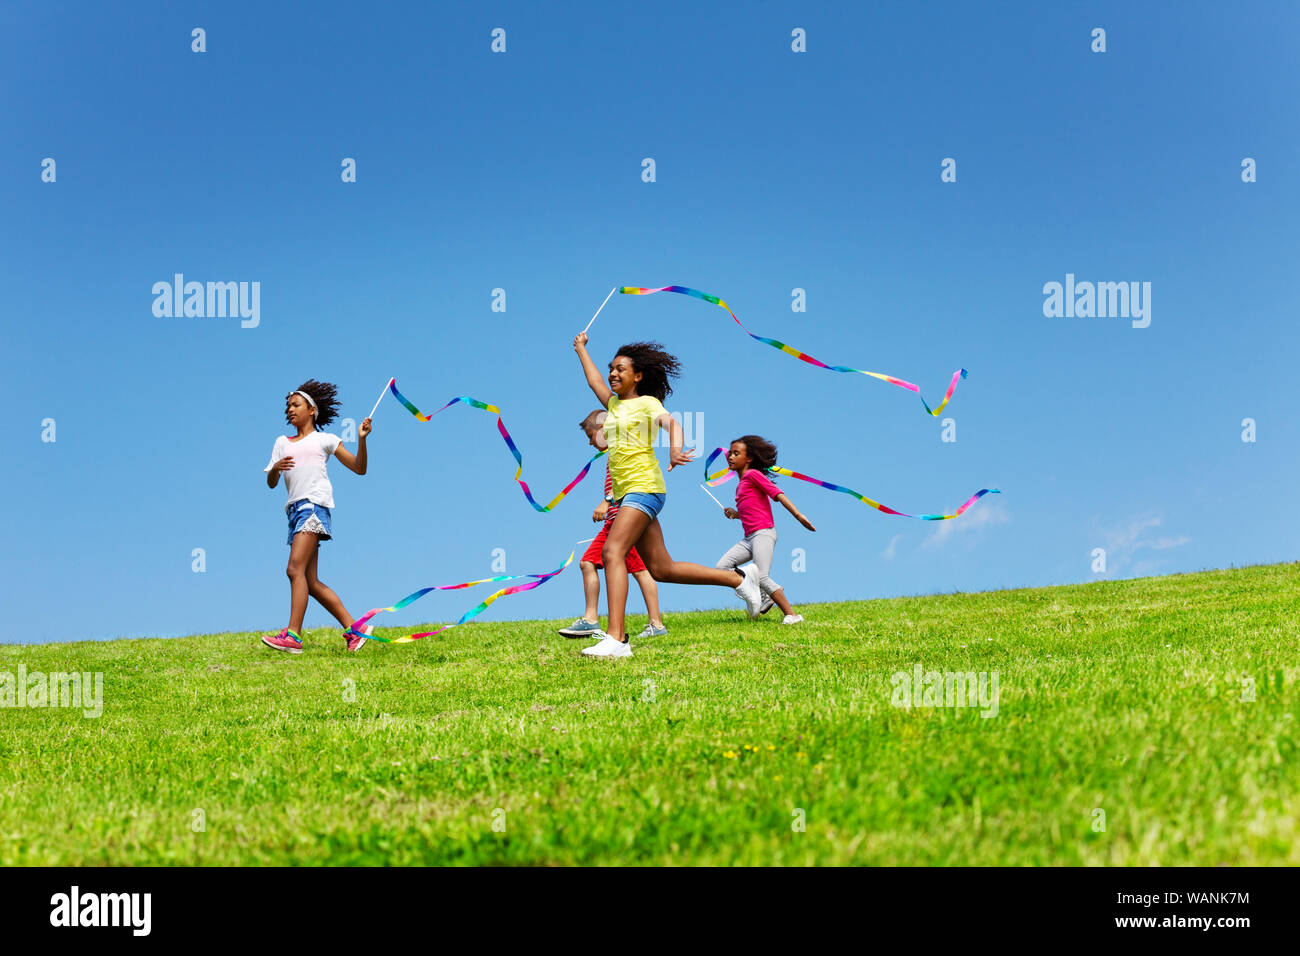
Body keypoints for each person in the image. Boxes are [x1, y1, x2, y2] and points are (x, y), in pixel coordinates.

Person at [572, 331, 763, 658]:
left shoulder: (646, 403)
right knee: (662, 568)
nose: (613, 374)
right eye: (611, 369)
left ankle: (617, 640)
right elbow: (593, 381)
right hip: (627, 495)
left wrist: (675, 450)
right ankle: (739, 579)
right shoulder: (613, 405)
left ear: (638, 376)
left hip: (644, 488)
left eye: (621, 369)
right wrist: (580, 349)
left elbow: (671, 424)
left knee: (612, 552)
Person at [260, 380, 374, 654]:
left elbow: (359, 468)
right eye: (288, 406)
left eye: (296, 405)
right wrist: (275, 467)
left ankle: (294, 637)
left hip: (313, 508)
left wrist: (361, 439)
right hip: (294, 512)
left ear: (312, 410)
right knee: (309, 581)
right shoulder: (281, 442)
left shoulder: (325, 440)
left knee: (293, 570)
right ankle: (355, 630)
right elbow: (272, 483)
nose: (290, 409)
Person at [558, 410, 670, 641]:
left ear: (603, 430)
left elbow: (629, 481)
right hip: (615, 520)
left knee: (640, 570)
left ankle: (654, 623)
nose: (589, 442)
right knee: (591, 562)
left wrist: (605, 501)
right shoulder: (614, 454)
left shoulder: (621, 451)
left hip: (624, 520)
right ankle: (592, 619)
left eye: (590, 435)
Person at [715, 435, 816, 624]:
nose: (730, 457)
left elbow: (777, 494)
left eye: (736, 454)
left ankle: (792, 615)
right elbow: (751, 510)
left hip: (763, 533)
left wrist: (799, 516)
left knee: (762, 576)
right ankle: (760, 592)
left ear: (749, 459)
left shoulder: (753, 475)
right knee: (722, 568)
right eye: (730, 453)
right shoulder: (741, 484)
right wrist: (735, 514)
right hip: (749, 538)